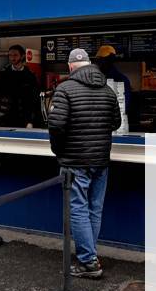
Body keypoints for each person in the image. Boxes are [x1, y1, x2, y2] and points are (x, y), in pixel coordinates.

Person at [47, 48, 121, 278]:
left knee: (77, 209)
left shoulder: (64, 89)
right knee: (94, 209)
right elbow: (116, 123)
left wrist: (59, 152)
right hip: (101, 160)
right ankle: (89, 255)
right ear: (90, 64)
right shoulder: (108, 90)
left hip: (75, 160)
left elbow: (56, 125)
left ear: (70, 67)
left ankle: (88, 261)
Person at [0, 44, 40, 128]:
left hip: (24, 119)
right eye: (10, 55)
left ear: (22, 56)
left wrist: (31, 120)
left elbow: (34, 100)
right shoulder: (2, 75)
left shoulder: (30, 76)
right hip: (5, 118)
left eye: (15, 55)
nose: (12, 58)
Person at [95, 44, 132, 113]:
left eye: (104, 59)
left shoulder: (121, 80)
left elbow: (124, 106)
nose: (101, 62)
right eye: (99, 59)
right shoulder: (94, 78)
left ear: (111, 60)